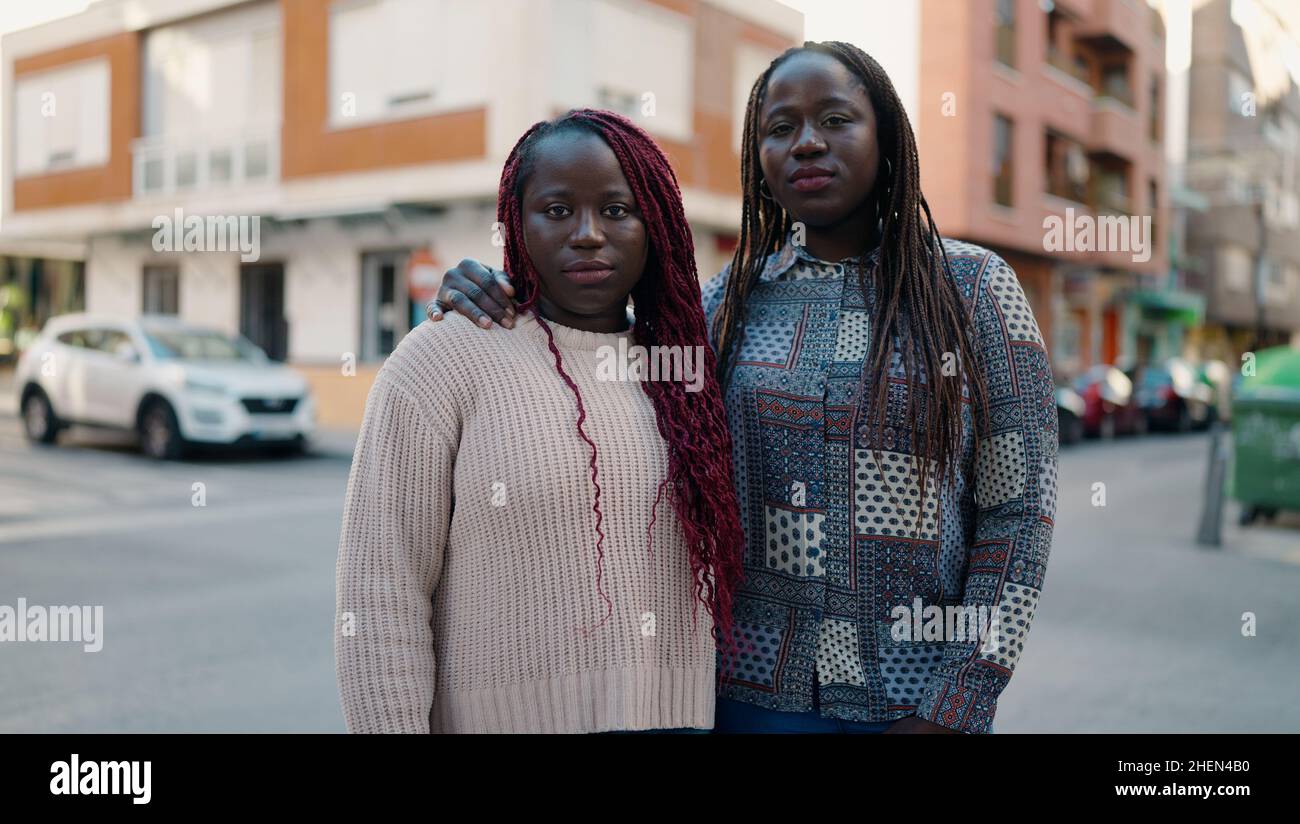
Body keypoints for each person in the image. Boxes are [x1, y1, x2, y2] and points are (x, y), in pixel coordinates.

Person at [429, 42, 1058, 734]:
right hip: (746, 699)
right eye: (780, 128)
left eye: (836, 120)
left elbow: (1020, 518)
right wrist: (513, 288)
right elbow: (602, 350)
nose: (808, 143)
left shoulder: (972, 291)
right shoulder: (726, 304)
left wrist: (957, 701)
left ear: (885, 135)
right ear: (758, 158)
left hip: (911, 700)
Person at [335, 109, 744, 733]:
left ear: (654, 225)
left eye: (617, 210)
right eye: (556, 210)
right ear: (515, 226)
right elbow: (381, 592)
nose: (587, 234)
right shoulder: (443, 358)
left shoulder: (684, 369)